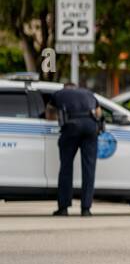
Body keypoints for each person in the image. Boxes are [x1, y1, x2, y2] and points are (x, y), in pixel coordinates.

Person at [48, 82, 101, 217]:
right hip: (90, 127)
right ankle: (86, 209)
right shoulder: (88, 93)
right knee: (89, 169)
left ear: (65, 87)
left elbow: (49, 113)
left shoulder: (58, 94)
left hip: (71, 127)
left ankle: (63, 208)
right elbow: (98, 113)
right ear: (76, 87)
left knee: (66, 168)